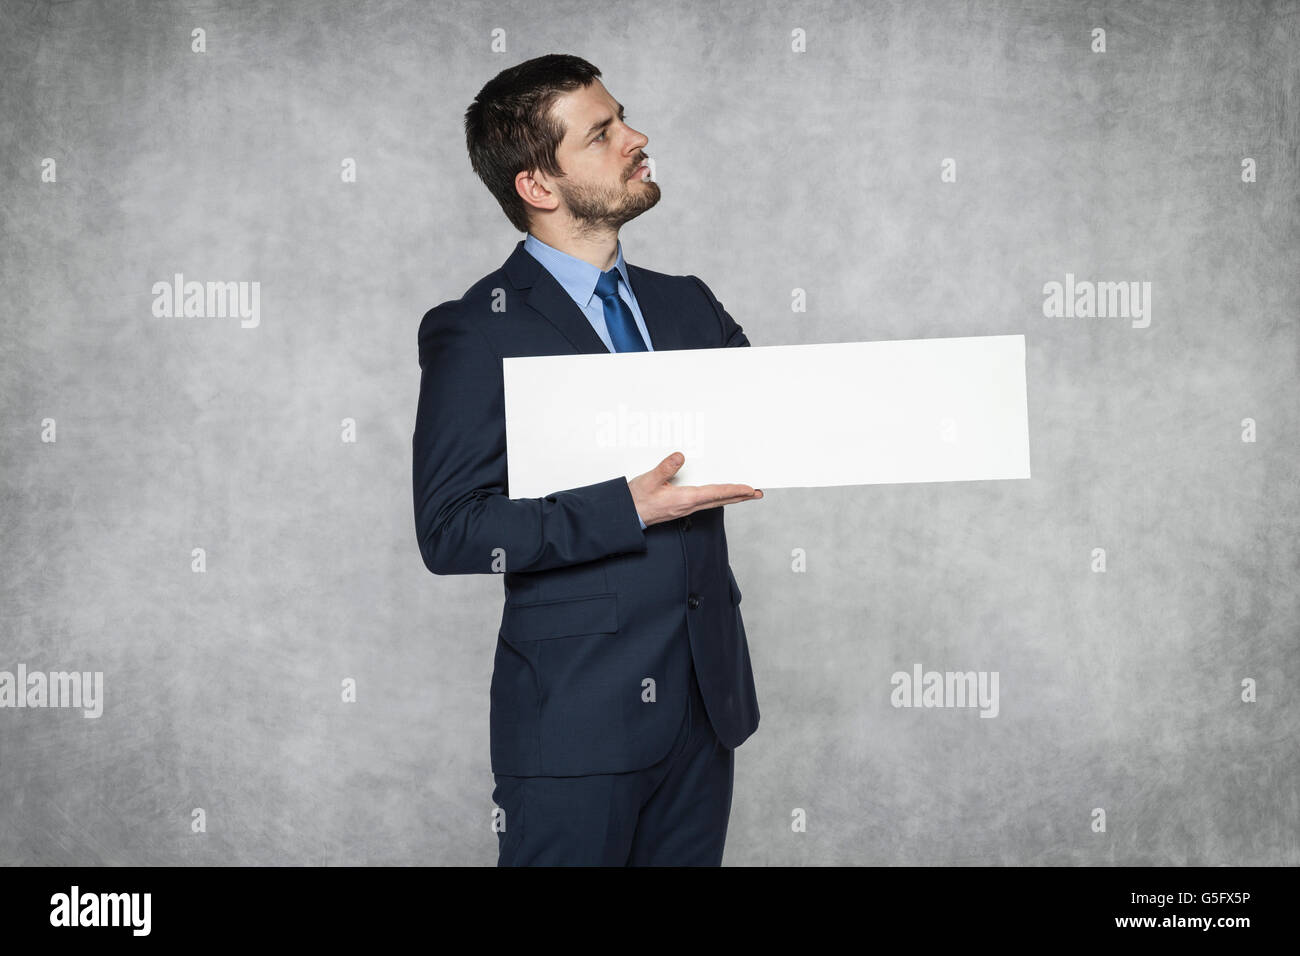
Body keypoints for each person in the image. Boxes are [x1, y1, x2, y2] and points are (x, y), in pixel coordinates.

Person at [413, 53, 763, 865]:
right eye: (603, 134)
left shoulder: (689, 302)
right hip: (575, 721)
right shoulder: (479, 328)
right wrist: (625, 507)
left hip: (707, 708)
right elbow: (452, 530)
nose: (637, 138)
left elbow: (769, 418)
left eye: (622, 119)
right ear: (538, 186)